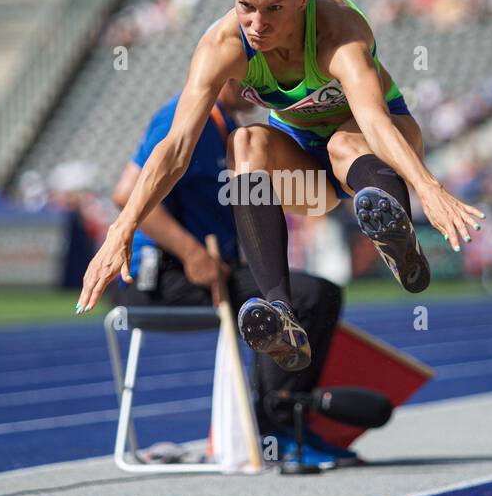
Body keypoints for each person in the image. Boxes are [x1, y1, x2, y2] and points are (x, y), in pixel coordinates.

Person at [75, 0, 485, 371]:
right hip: (309, 179)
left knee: (342, 142)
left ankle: (397, 236)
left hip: (378, 149)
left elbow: (374, 119)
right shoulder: (223, 44)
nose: (257, 24)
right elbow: (176, 145)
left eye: (273, 9)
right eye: (246, 6)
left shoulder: (337, 30)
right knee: (245, 140)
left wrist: (428, 187)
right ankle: (279, 310)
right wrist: (122, 228)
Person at [109, 77, 353, 465]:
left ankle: (279, 423)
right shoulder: (186, 115)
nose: (258, 86)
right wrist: (191, 252)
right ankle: (274, 428)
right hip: (160, 277)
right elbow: (128, 194)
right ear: (221, 72)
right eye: (248, 76)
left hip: (217, 269)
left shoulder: (235, 130)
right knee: (307, 297)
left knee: (307, 294)